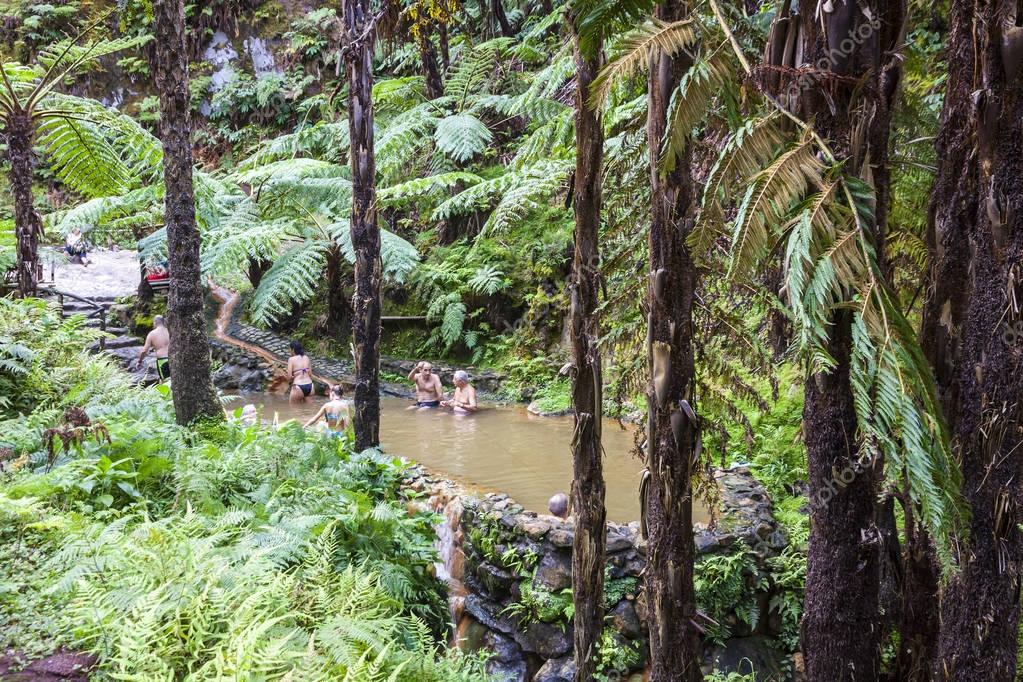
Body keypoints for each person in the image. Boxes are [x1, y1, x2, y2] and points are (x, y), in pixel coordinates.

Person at [134, 315, 170, 381]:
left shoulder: (152, 334)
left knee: (164, 382)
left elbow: (144, 351)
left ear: (155, 322)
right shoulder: (170, 331)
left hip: (162, 361)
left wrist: (139, 361)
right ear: (163, 322)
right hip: (173, 359)